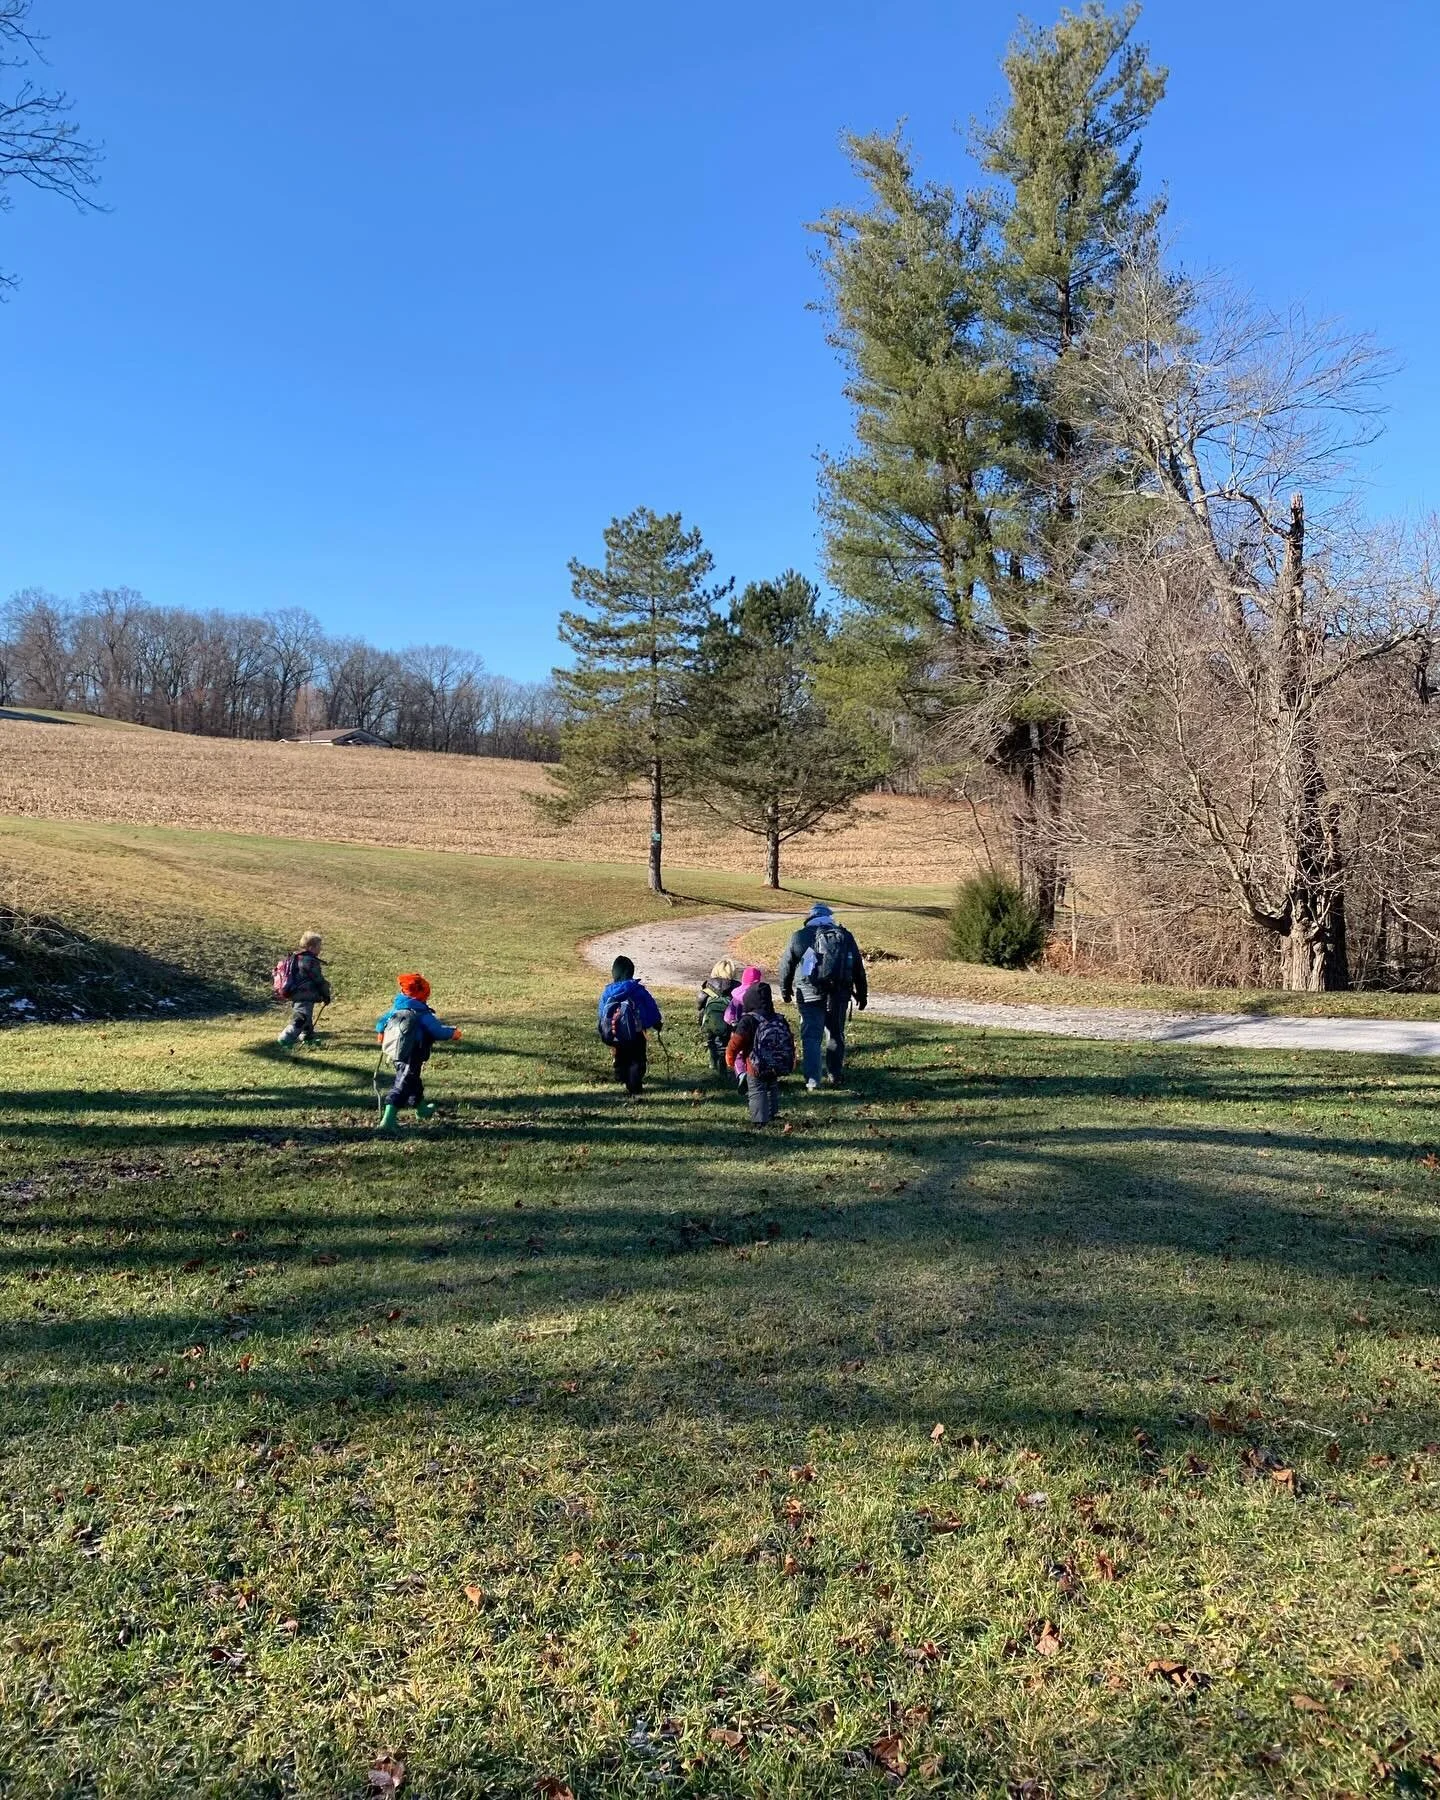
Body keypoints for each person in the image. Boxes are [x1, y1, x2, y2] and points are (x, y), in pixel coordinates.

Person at [777, 902, 867, 1089]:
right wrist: (862, 994)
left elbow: (786, 965)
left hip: (809, 993)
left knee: (811, 1037)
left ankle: (812, 1081)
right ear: (830, 917)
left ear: (810, 918)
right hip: (839, 994)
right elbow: (858, 967)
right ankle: (834, 1074)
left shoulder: (799, 936)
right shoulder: (845, 936)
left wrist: (785, 990)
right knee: (835, 1034)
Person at [374, 972, 461, 1134]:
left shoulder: (397, 1008)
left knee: (413, 1080)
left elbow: (381, 1022)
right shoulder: (422, 1013)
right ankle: (388, 1119)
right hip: (413, 1053)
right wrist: (452, 1033)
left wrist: (381, 1034)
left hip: (397, 1053)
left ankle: (421, 1110)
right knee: (404, 1082)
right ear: (422, 994)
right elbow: (436, 1031)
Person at [725, 981, 794, 1125]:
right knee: (772, 1087)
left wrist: (730, 1057)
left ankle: (760, 1120)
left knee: (757, 1090)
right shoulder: (778, 1018)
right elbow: (789, 1039)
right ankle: (772, 1113)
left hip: (755, 1064)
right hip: (775, 1062)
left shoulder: (748, 1020)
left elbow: (736, 1041)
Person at [597, 955, 663, 1096]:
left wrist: (603, 1028)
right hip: (636, 1033)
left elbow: (602, 1012)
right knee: (637, 1059)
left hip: (616, 1033)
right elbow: (651, 1007)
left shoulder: (607, 992)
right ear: (631, 972)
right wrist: (656, 1022)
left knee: (621, 1055)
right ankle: (634, 1085)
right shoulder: (638, 990)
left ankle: (621, 1073)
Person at [276, 930, 332, 1047]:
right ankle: (286, 1037)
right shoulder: (309, 961)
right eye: (319, 946)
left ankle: (307, 1036)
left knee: (307, 1015)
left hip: (296, 992)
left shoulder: (296, 958)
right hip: (304, 993)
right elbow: (318, 979)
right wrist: (325, 993)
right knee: (302, 1017)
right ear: (311, 947)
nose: (320, 949)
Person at [696, 958, 739, 1072]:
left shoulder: (708, 985)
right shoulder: (736, 987)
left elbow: (699, 1003)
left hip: (710, 1020)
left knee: (712, 1040)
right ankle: (723, 1066)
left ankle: (713, 1062)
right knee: (724, 1042)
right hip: (729, 1021)